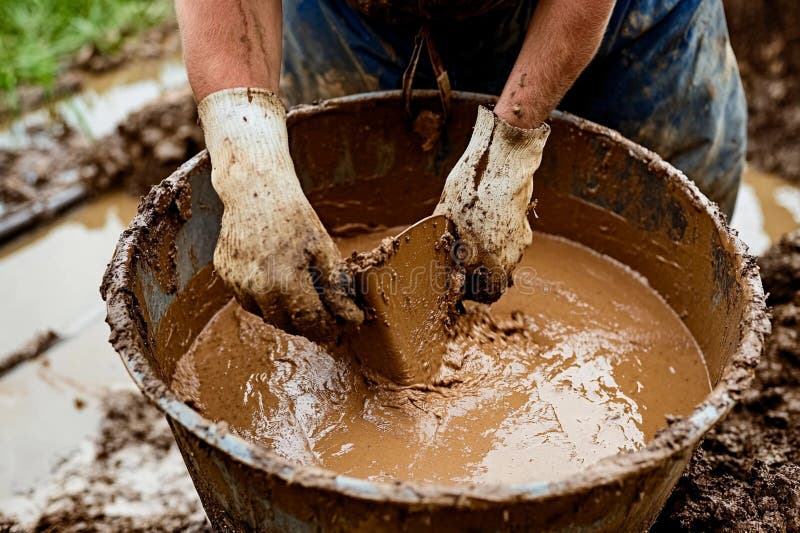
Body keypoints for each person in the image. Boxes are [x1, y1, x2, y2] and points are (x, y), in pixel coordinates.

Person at [175, 0, 746, 338]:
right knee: (330, 215)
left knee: (670, 245)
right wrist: (249, 165)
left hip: (619, 22)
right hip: (355, 17)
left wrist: (511, 145)